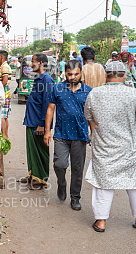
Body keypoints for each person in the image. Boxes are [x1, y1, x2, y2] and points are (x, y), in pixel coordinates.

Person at [84, 61, 136, 232]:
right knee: (134, 183)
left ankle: (101, 222)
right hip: (129, 147)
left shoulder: (94, 94)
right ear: (125, 75)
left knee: (102, 183)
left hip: (104, 146)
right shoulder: (133, 94)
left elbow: (89, 116)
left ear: (106, 75)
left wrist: (96, 133)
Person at [44, 60, 92, 210]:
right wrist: (47, 131)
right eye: (69, 74)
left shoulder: (88, 91)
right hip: (61, 134)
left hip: (80, 136)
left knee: (77, 169)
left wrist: (93, 133)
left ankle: (75, 198)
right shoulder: (57, 88)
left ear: (81, 73)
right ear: (65, 73)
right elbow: (50, 110)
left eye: (76, 74)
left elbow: (91, 114)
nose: (72, 77)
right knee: (59, 164)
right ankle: (61, 183)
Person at [21, 53, 55, 190]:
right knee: (32, 151)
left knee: (40, 151)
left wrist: (43, 124)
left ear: (41, 63)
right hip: (31, 120)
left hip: (38, 123)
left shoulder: (47, 80)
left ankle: (41, 179)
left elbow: (48, 105)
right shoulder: (38, 78)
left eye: (33, 62)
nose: (31, 64)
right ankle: (33, 174)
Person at [0, 51, 11, 139]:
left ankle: (4, 135)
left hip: (4, 93)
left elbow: (4, 81)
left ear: (1, 57)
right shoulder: (4, 66)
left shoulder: (4, 67)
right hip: (6, 93)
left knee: (2, 115)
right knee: (5, 116)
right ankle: (6, 135)